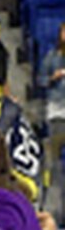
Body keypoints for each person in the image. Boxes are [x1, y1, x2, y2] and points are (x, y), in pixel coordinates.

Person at [38, 22, 65, 216]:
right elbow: (40, 80)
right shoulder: (52, 57)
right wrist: (53, 78)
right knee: (54, 163)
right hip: (57, 113)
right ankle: (54, 208)